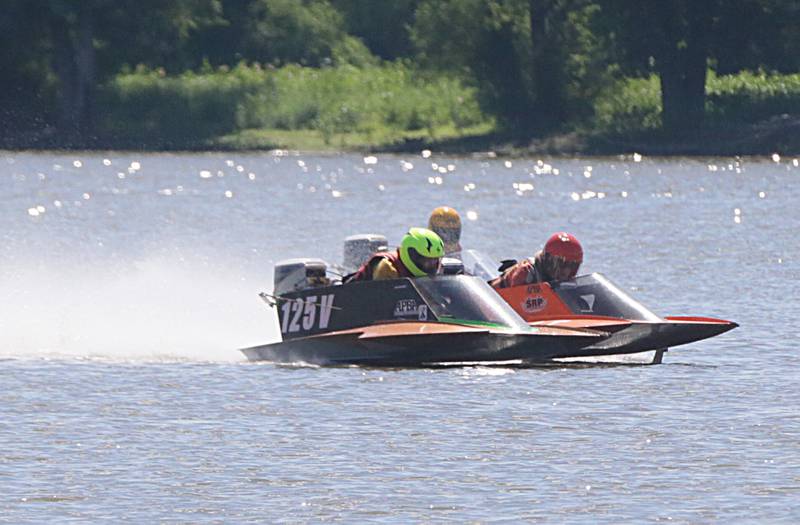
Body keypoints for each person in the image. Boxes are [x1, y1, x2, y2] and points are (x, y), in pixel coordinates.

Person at [345, 227, 445, 282]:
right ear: (411, 254)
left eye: (435, 259)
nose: (432, 264)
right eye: (426, 260)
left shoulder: (439, 269)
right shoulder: (388, 268)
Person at [489, 232, 583, 288]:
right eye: (561, 265)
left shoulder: (567, 284)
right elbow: (516, 301)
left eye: (572, 267)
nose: (566, 272)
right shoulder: (526, 272)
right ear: (547, 260)